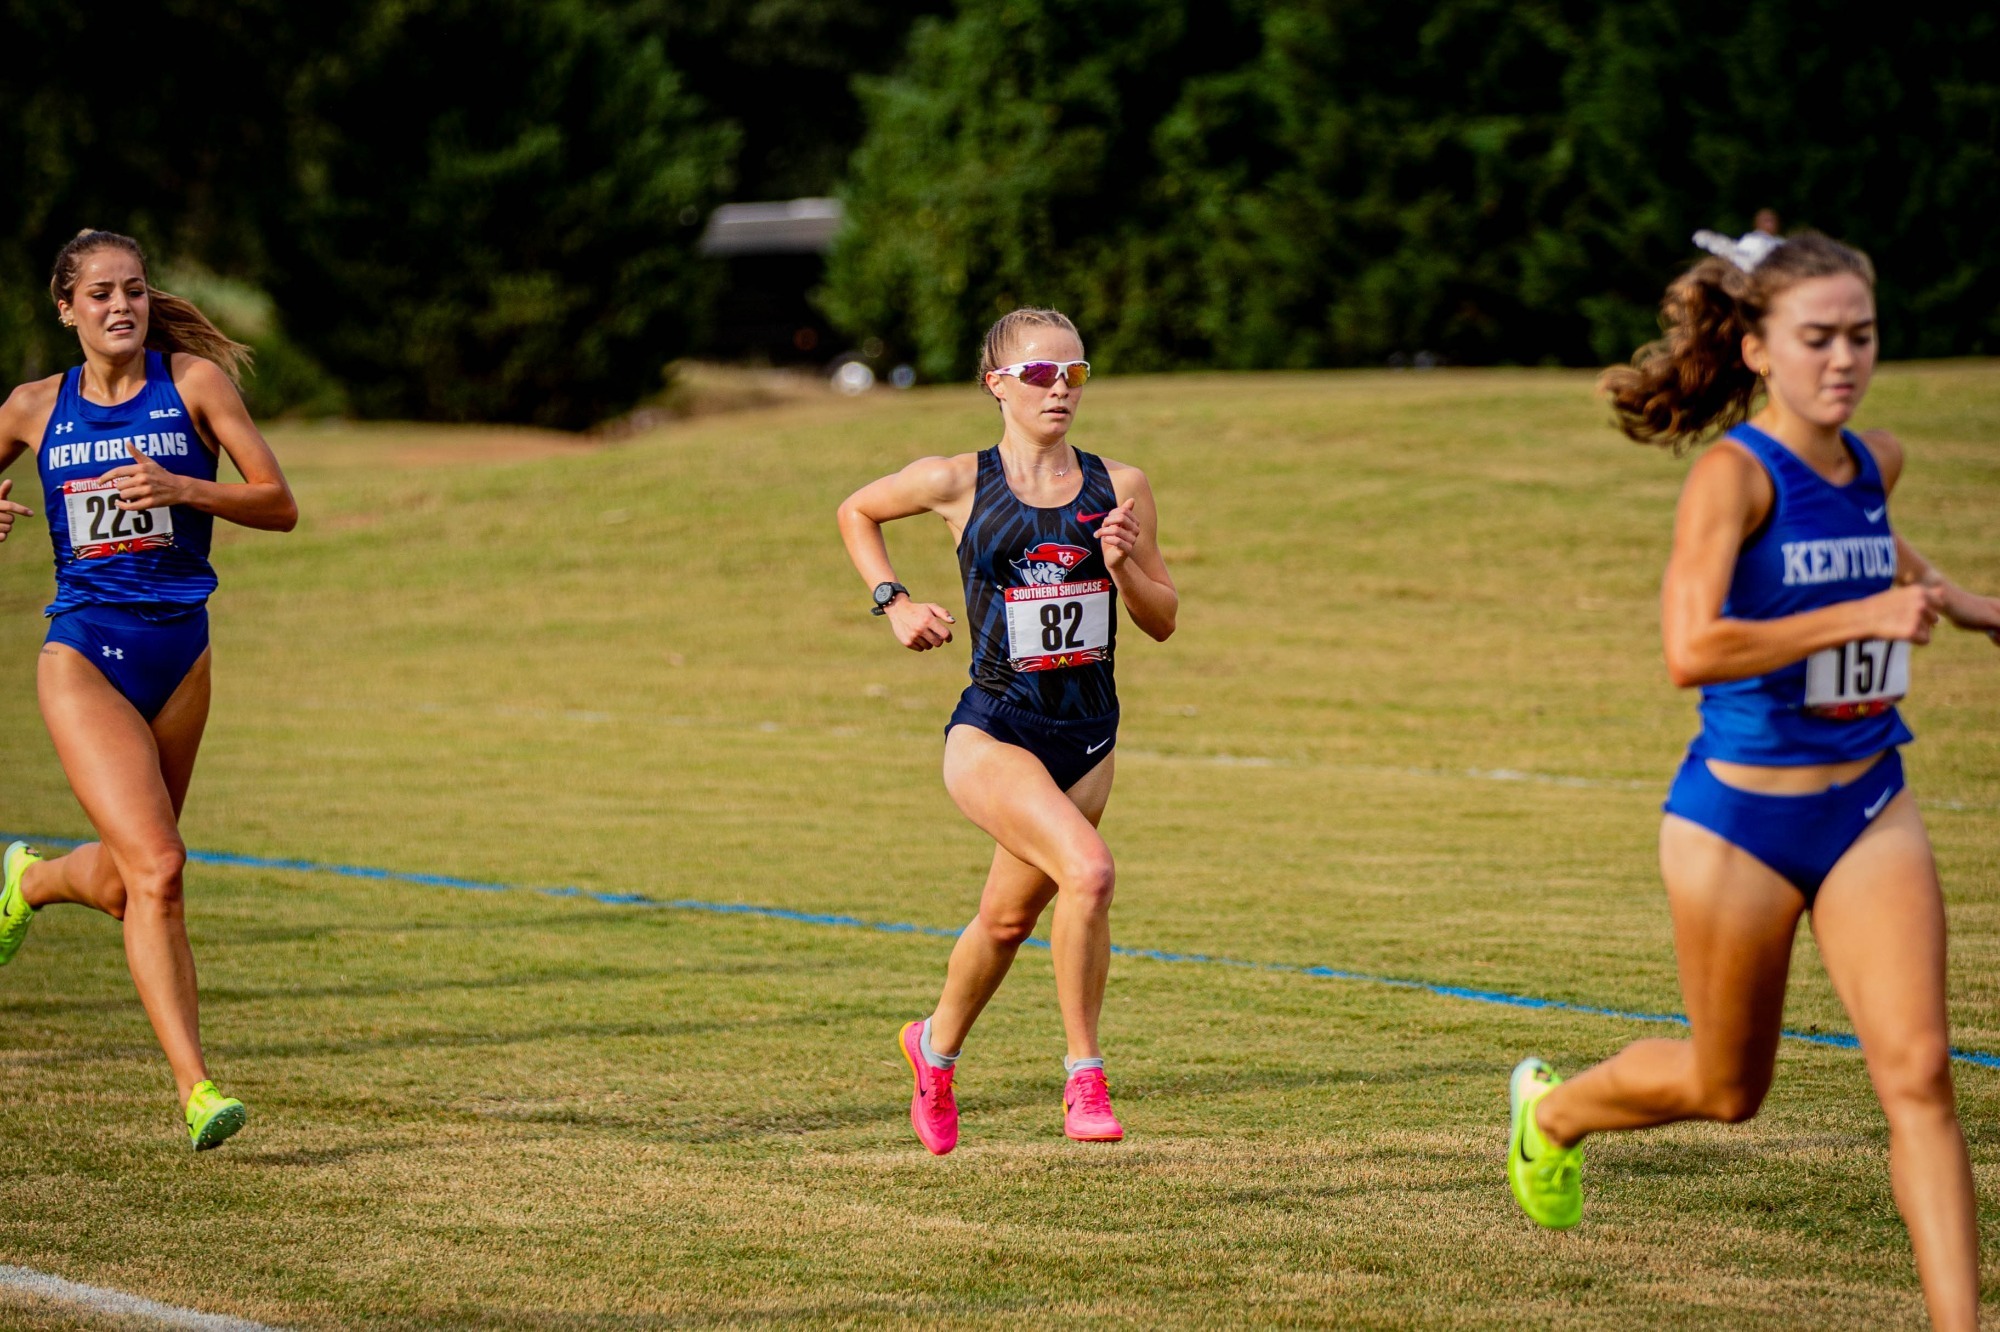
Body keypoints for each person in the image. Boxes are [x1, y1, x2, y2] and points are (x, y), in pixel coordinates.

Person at [1506, 232, 1997, 1331]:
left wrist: (1959, 601)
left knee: (1917, 1074)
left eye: (1859, 337)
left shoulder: (1874, 461)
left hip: (1868, 799)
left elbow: (1875, 543)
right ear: (1757, 349)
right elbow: (1693, 646)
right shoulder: (1733, 476)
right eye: (1815, 339)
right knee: (1727, 1091)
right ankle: (1553, 1114)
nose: (1842, 360)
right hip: (1738, 825)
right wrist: (1861, 617)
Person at [835, 308, 1177, 1154]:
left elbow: (1163, 619)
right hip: (995, 731)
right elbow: (857, 512)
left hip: (1089, 737)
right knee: (1089, 873)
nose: (1059, 387)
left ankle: (934, 1050)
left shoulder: (1121, 485)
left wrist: (1127, 562)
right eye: (1038, 374)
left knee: (1001, 925)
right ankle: (1085, 1078)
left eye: (1075, 373)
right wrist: (895, 603)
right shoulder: (957, 480)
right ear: (998, 385)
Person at [0, 230, 298, 1150]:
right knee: (161, 871)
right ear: (66, 309)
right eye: (98, 294)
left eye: (132, 289)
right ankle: (198, 1089)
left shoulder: (196, 385)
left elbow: (279, 504)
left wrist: (183, 487)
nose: (120, 306)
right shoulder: (30, 407)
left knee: (137, 881)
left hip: (184, 655)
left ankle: (30, 878)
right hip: (84, 652)